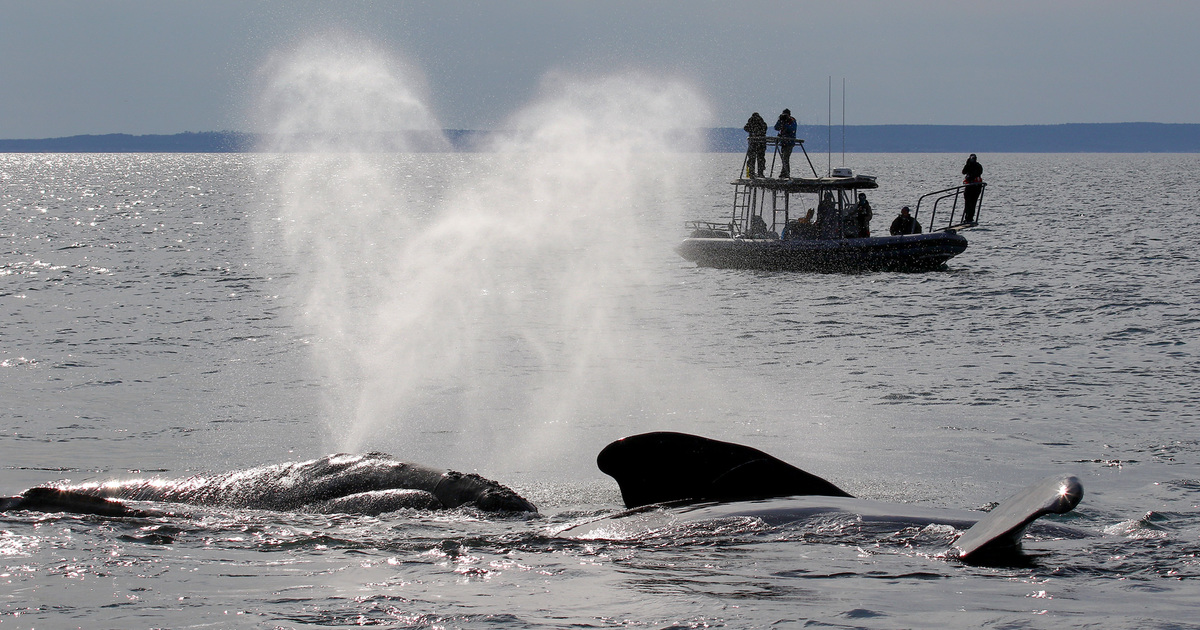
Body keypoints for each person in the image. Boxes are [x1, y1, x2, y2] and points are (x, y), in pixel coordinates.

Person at [774, 109, 797, 178]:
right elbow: (776, 128)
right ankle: (784, 172)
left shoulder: (792, 121)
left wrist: (785, 124)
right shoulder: (782, 120)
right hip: (783, 143)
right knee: (784, 158)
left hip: (789, 142)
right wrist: (780, 121)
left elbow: (791, 129)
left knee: (785, 158)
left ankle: (786, 173)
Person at [743, 112, 767, 178]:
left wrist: (752, 130)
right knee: (761, 158)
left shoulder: (751, 122)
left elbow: (746, 128)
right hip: (761, 143)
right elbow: (764, 129)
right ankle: (760, 173)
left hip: (753, 143)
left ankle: (751, 173)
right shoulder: (762, 122)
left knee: (752, 158)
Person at [961, 153, 983, 222]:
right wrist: (967, 164)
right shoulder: (969, 165)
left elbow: (976, 174)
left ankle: (970, 217)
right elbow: (963, 172)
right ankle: (967, 217)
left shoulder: (978, 166)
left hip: (975, 187)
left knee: (972, 202)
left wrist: (970, 177)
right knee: (968, 202)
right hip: (969, 187)